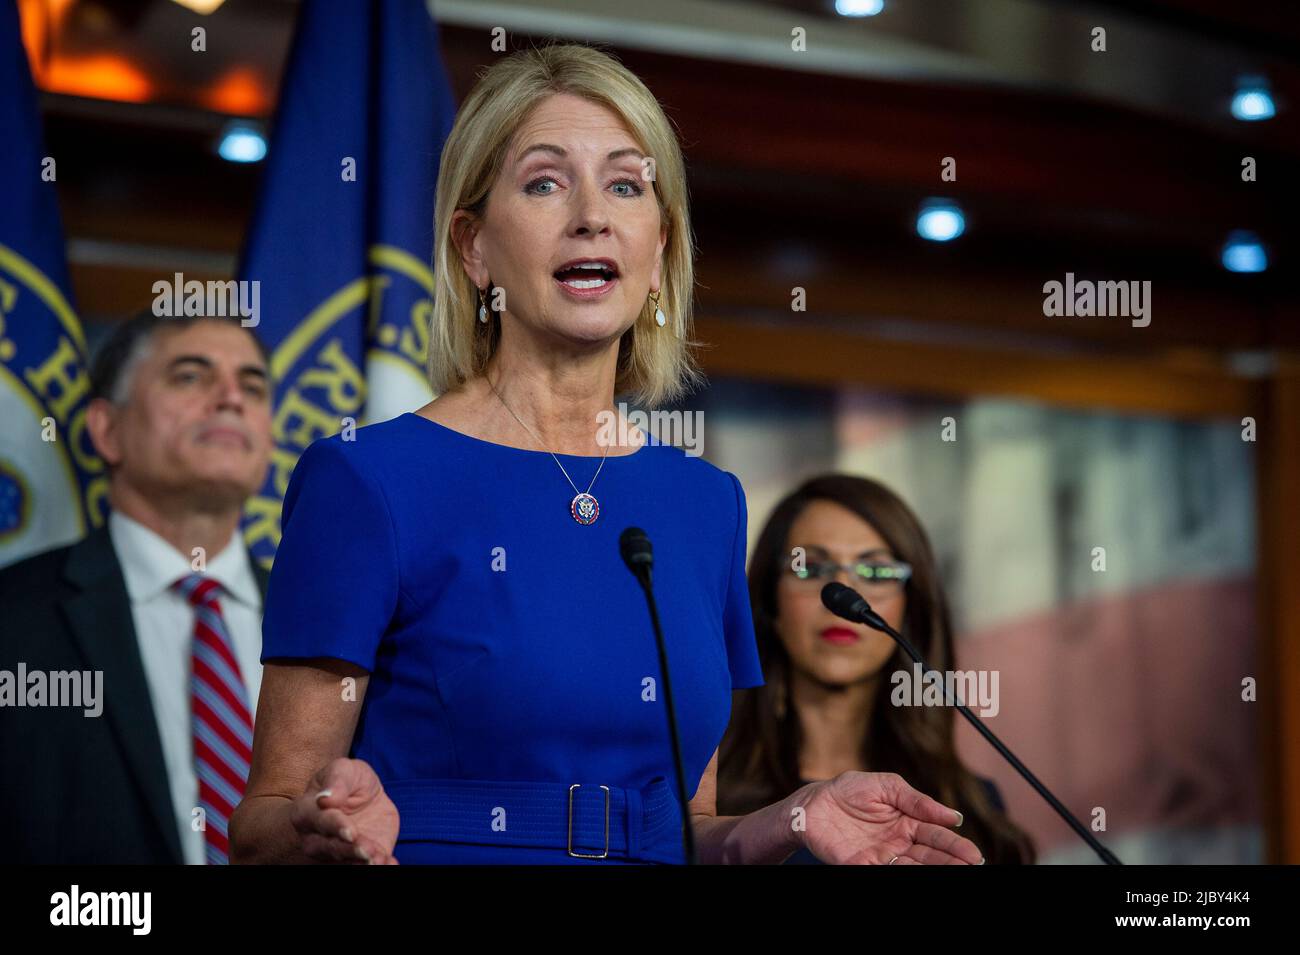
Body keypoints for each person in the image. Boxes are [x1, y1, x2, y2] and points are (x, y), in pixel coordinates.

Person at [230, 43, 982, 866]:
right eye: (546, 182)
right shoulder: (368, 481)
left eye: (626, 184)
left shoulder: (705, 504)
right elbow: (262, 819)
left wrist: (789, 820)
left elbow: (685, 828)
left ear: (657, 251)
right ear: (474, 247)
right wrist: (321, 824)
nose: (592, 214)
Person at [0, 313, 275, 863]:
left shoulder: (338, 622)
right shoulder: (12, 619)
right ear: (106, 430)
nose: (230, 399)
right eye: (190, 376)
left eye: (252, 385)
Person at [718, 473, 1037, 863]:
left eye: (876, 571)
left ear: (910, 608)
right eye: (811, 567)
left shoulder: (967, 807)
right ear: (770, 603)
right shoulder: (708, 806)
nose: (842, 589)